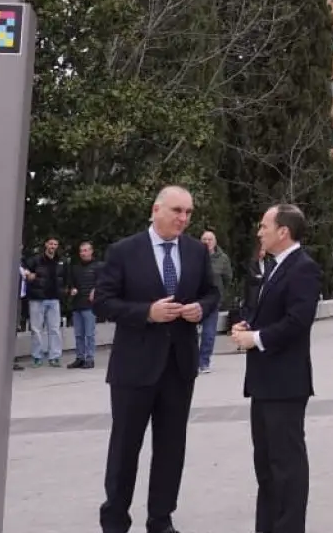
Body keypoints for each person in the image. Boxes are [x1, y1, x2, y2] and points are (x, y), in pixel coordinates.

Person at [95, 186, 219, 533]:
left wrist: (201, 308)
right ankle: (115, 520)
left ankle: (161, 520)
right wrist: (147, 312)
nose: (183, 218)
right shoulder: (124, 251)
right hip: (134, 367)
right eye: (177, 211)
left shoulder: (196, 251)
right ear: (156, 209)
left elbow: (212, 292)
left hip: (179, 367)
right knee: (125, 448)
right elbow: (103, 302)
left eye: (189, 213)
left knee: (170, 448)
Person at [230, 204, 320, 533]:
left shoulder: (303, 268)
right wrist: (248, 326)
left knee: (287, 467)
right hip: (264, 383)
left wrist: (256, 338)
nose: (259, 232)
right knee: (266, 466)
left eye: (264, 225)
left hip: (286, 384)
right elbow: (272, 313)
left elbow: (298, 322)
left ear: (284, 231)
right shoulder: (274, 266)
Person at [23, 236, 67, 367]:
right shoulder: (36, 259)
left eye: (55, 244)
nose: (53, 246)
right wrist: (28, 275)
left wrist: (65, 290)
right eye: (51, 244)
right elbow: (24, 268)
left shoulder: (61, 261)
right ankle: (37, 357)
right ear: (46, 244)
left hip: (54, 299)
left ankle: (54, 357)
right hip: (37, 298)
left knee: (54, 329)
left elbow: (65, 277)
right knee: (36, 330)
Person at [197, 230, 232, 373]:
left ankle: (204, 362)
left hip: (212, 301)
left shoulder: (223, 258)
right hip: (195, 300)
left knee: (209, 333)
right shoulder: (194, 256)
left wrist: (219, 292)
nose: (207, 242)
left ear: (215, 242)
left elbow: (227, 278)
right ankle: (191, 361)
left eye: (210, 239)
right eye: (204, 239)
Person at [67, 240, 102, 370]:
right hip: (77, 304)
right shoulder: (75, 267)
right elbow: (71, 284)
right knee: (78, 334)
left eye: (86, 250)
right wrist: (72, 289)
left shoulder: (98, 266)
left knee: (89, 334)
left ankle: (90, 358)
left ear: (91, 251)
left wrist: (95, 290)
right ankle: (80, 358)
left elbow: (104, 282)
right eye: (81, 251)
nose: (83, 253)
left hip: (90, 306)